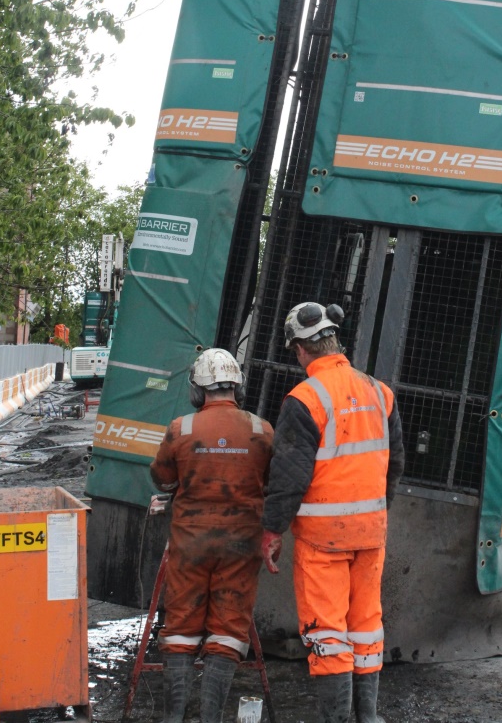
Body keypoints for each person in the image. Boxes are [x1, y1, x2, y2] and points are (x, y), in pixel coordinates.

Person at [261, 302, 405, 723]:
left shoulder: (305, 399)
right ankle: (369, 717)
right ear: (334, 342)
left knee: (327, 632)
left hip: (323, 541)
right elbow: (394, 465)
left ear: (300, 349)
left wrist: (271, 531)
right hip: (370, 533)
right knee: (365, 626)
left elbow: (289, 478)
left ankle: (337, 718)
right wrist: (376, 513)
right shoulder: (380, 392)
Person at [150, 347, 273, 723]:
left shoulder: (180, 429)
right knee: (229, 631)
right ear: (238, 387)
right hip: (241, 544)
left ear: (197, 390)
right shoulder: (262, 430)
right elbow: (271, 482)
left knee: (182, 628)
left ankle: (173, 718)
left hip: (191, 543)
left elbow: (163, 478)